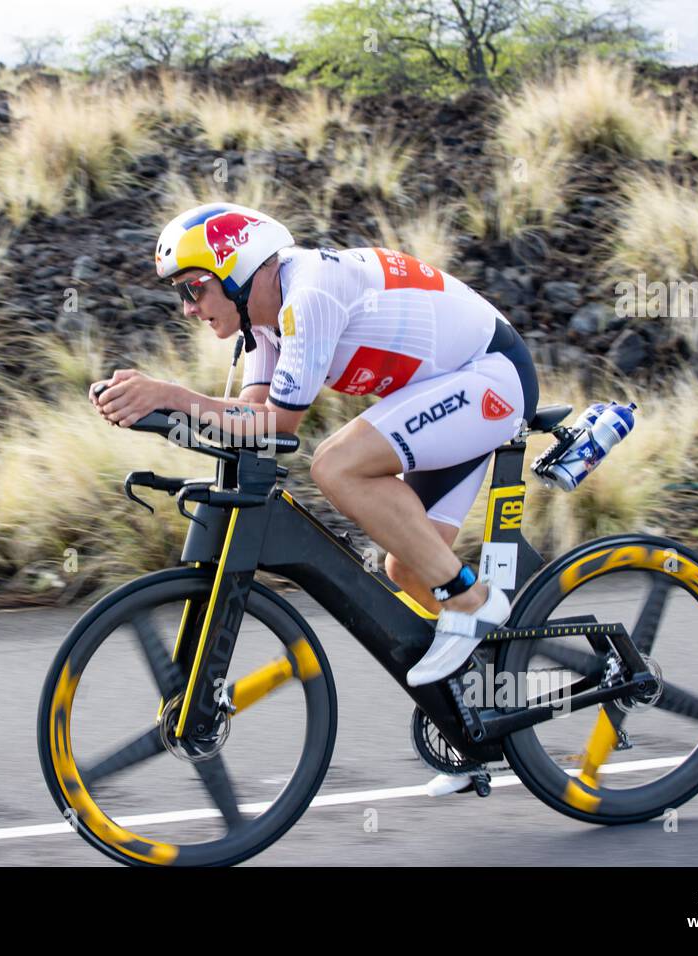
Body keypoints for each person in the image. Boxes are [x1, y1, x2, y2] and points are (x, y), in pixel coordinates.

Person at [91, 203, 539, 791]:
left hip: (490, 376)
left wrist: (171, 394)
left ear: (238, 269)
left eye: (197, 289)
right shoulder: (266, 322)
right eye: (181, 295)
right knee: (409, 564)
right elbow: (250, 417)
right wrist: (161, 406)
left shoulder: (309, 295)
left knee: (337, 466)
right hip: (454, 385)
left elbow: (279, 425)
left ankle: (471, 602)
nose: (190, 308)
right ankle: (481, 715)